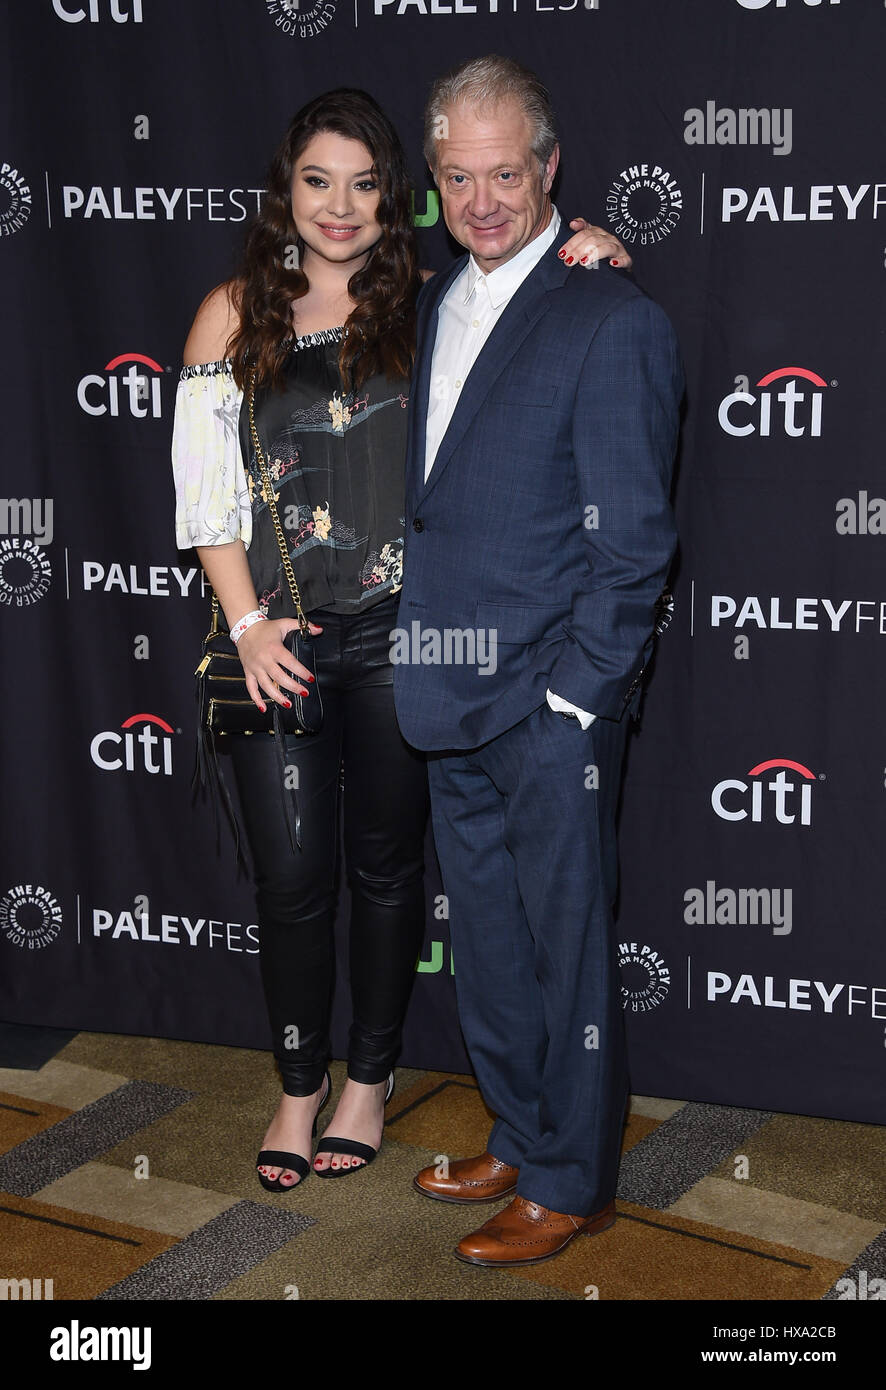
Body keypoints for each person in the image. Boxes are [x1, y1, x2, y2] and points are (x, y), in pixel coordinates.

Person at [171, 86, 630, 1193]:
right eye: (318, 181)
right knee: (291, 882)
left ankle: (368, 1084)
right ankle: (296, 1091)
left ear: (396, 197)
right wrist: (245, 626)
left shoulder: (427, 309)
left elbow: (520, 290)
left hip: (403, 644)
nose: (340, 206)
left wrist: (586, 238)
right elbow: (206, 500)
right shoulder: (229, 311)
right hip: (270, 639)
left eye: (365, 183)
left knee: (387, 875)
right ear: (286, 189)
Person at [393, 55, 684, 1266]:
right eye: (459, 177)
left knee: (563, 947)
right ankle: (519, 1130)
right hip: (443, 682)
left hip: (545, 699)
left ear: (550, 168)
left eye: (506, 172)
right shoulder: (433, 299)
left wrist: (576, 696)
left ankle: (572, 1179)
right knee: (492, 941)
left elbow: (635, 540)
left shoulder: (612, 315)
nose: (484, 199)